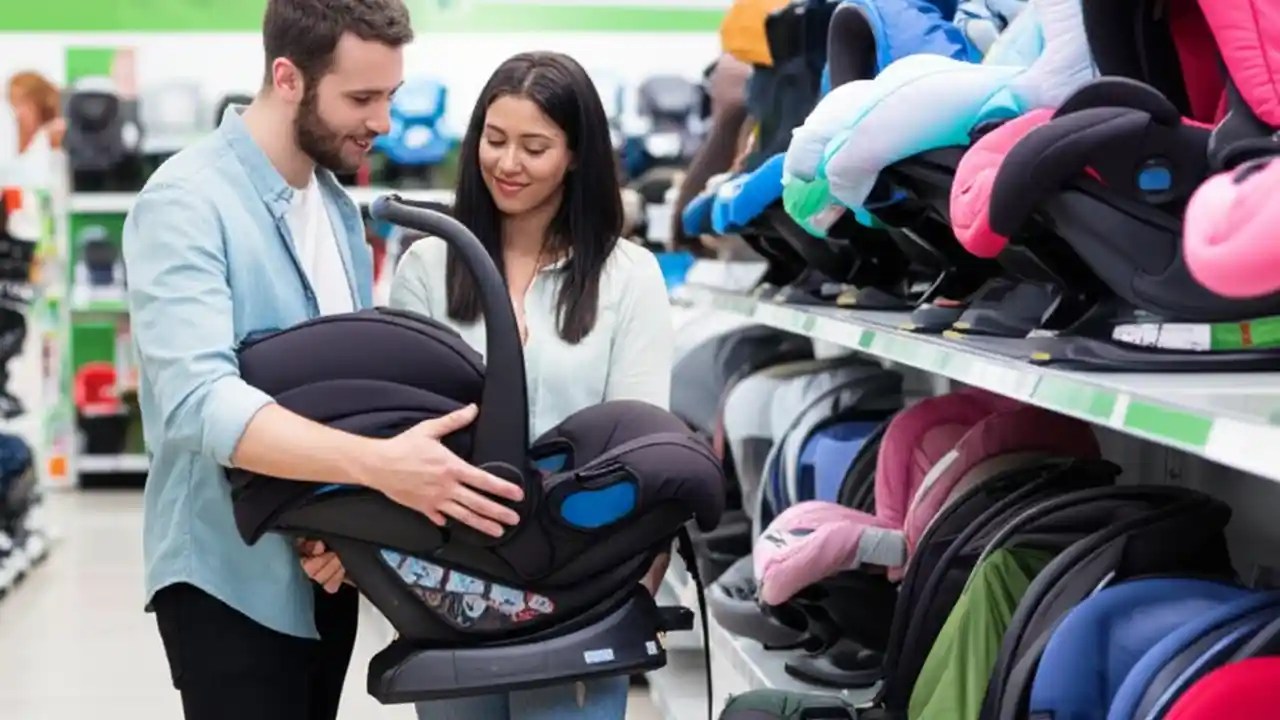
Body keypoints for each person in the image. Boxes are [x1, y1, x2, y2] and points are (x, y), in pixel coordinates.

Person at [121, 2, 524, 719]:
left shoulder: (336, 206)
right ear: (287, 78)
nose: (384, 123)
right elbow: (198, 402)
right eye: (361, 98)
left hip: (327, 566)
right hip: (228, 580)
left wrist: (352, 519)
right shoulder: (187, 202)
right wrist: (381, 470)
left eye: (390, 97)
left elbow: (341, 394)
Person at [301, 51, 678, 719]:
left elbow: (642, 449)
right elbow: (397, 426)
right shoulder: (430, 264)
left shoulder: (629, 277)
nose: (508, 164)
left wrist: (625, 587)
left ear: (576, 154)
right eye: (494, 140)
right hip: (451, 586)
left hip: (578, 587)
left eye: (535, 147)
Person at [4, 71, 64, 186]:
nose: (18, 113)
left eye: (22, 103)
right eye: (14, 104)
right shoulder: (19, 139)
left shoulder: (54, 136)